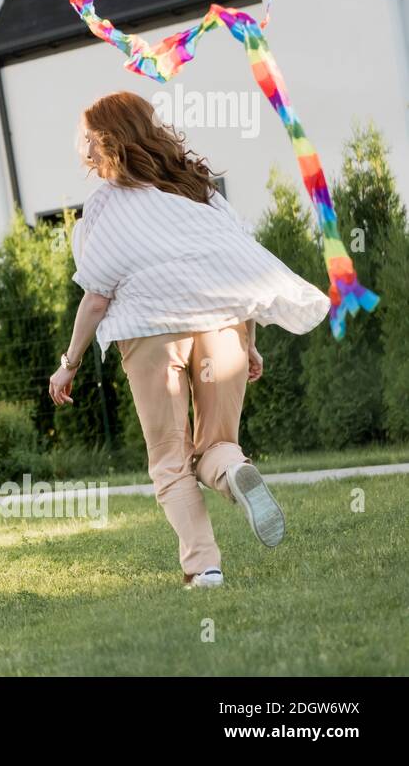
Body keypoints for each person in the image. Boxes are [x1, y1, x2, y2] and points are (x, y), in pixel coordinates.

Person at [49, 91, 328, 588]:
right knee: (219, 444)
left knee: (171, 462)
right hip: (225, 331)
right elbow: (235, 264)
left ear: (110, 140)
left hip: (153, 335)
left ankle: (205, 568)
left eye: (89, 138)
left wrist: (69, 362)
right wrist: (249, 343)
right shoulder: (197, 189)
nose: (83, 148)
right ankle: (237, 472)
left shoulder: (107, 204)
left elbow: (95, 297)